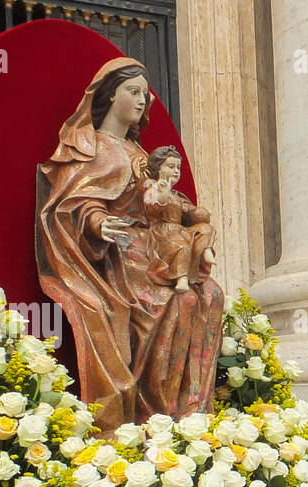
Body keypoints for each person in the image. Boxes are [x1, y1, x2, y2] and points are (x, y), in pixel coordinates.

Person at [36, 58, 224, 431]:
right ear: (108, 96)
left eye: (145, 94)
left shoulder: (142, 154)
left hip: (156, 244)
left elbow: (162, 199)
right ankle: (155, 410)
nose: (142, 101)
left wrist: (193, 222)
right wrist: (98, 222)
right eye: (133, 92)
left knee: (213, 294)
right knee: (177, 299)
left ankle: (192, 407)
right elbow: (74, 203)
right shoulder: (87, 148)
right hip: (118, 253)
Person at [143, 145, 217, 294]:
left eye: (178, 167)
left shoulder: (177, 195)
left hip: (180, 230)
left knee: (206, 229)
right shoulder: (153, 186)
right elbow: (151, 208)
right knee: (182, 246)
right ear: (158, 168)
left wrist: (197, 213)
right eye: (171, 166)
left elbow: (187, 212)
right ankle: (182, 278)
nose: (176, 171)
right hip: (162, 232)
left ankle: (206, 251)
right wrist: (162, 195)